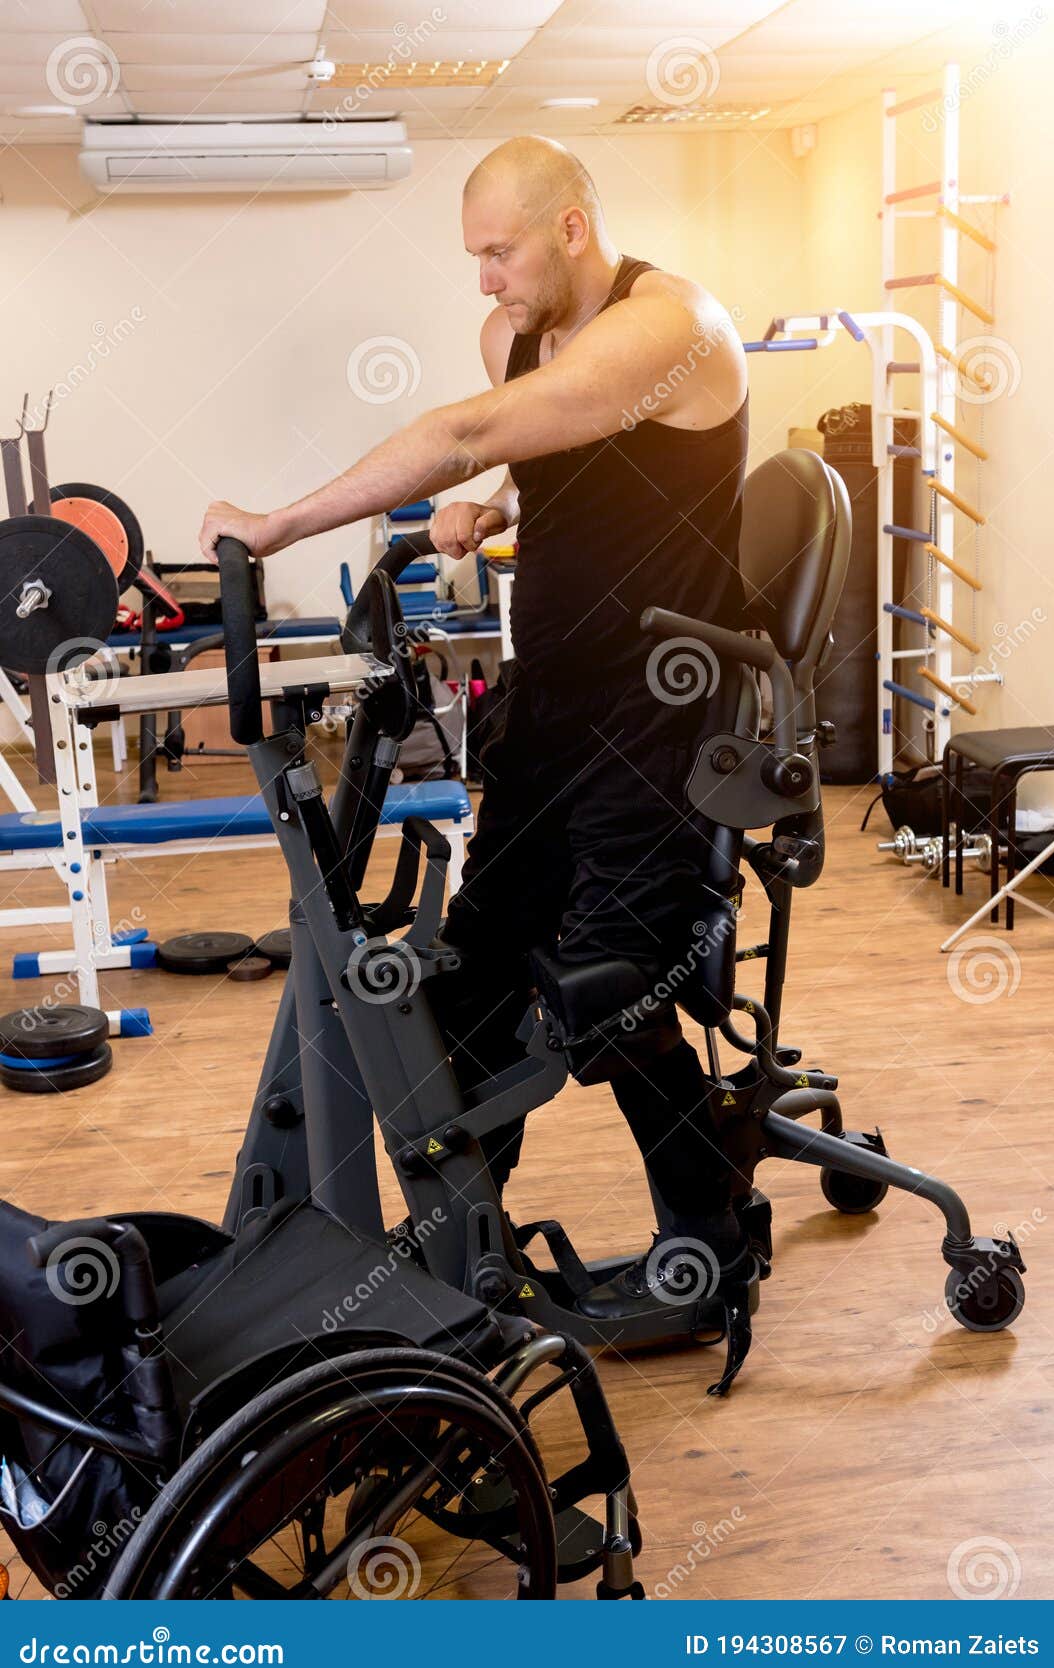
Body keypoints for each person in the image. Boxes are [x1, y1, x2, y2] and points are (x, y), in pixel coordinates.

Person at [199, 135, 750, 1321]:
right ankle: (457, 1258)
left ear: (568, 228)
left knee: (605, 994)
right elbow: (557, 453)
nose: (484, 282)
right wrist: (494, 502)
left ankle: (715, 1232)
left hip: (665, 718)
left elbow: (479, 428)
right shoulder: (515, 335)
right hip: (551, 704)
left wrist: (278, 523)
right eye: (474, 256)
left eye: (497, 252)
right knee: (476, 979)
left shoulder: (675, 326)